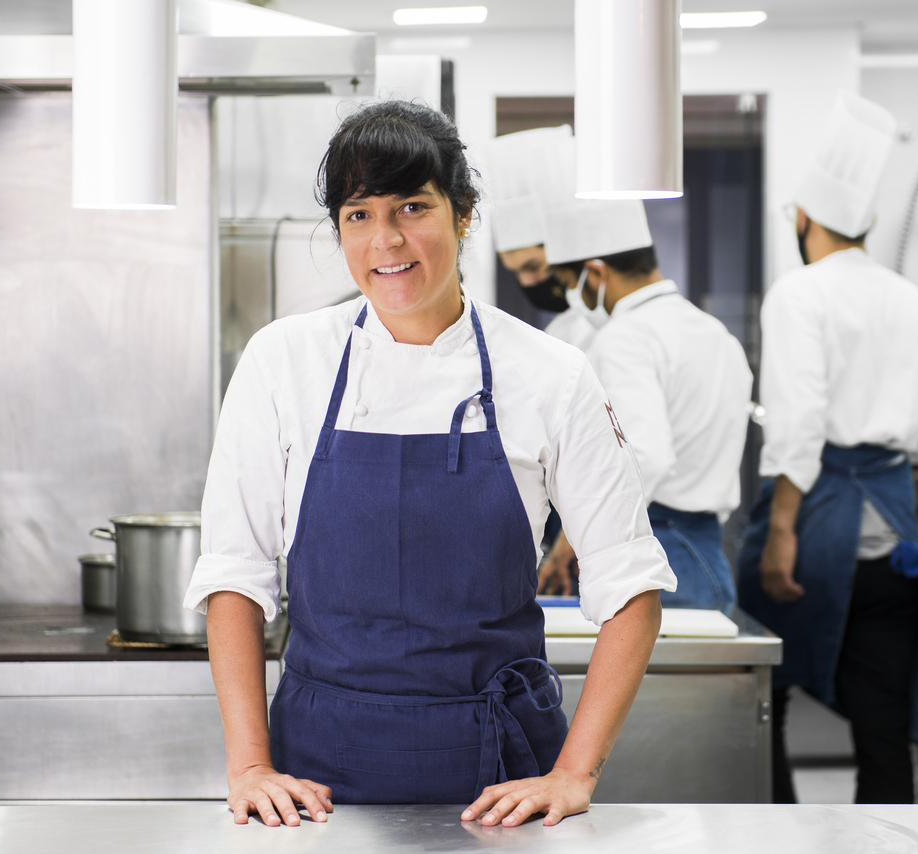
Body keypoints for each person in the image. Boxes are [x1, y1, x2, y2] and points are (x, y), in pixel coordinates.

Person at [183, 100, 676, 829]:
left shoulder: (551, 373)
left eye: (412, 207)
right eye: (358, 215)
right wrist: (250, 766)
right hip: (318, 778)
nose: (385, 240)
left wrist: (574, 773)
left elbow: (631, 584)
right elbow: (234, 572)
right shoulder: (283, 361)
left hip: (499, 777)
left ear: (464, 212)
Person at [735, 91, 918, 804]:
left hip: (815, 530)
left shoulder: (799, 294)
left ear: (804, 219)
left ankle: (780, 841)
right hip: (895, 537)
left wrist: (780, 535)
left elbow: (798, 426)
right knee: (883, 730)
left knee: (766, 704)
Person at [534, 194, 753, 613]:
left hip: (660, 546)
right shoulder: (715, 334)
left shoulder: (624, 338)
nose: (572, 301)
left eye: (569, 285)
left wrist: (571, 541)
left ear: (595, 273)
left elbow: (646, 457)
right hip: (706, 547)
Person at [483, 126, 597, 352]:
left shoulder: (611, 332)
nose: (527, 283)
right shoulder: (560, 333)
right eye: (517, 273)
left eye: (533, 266)